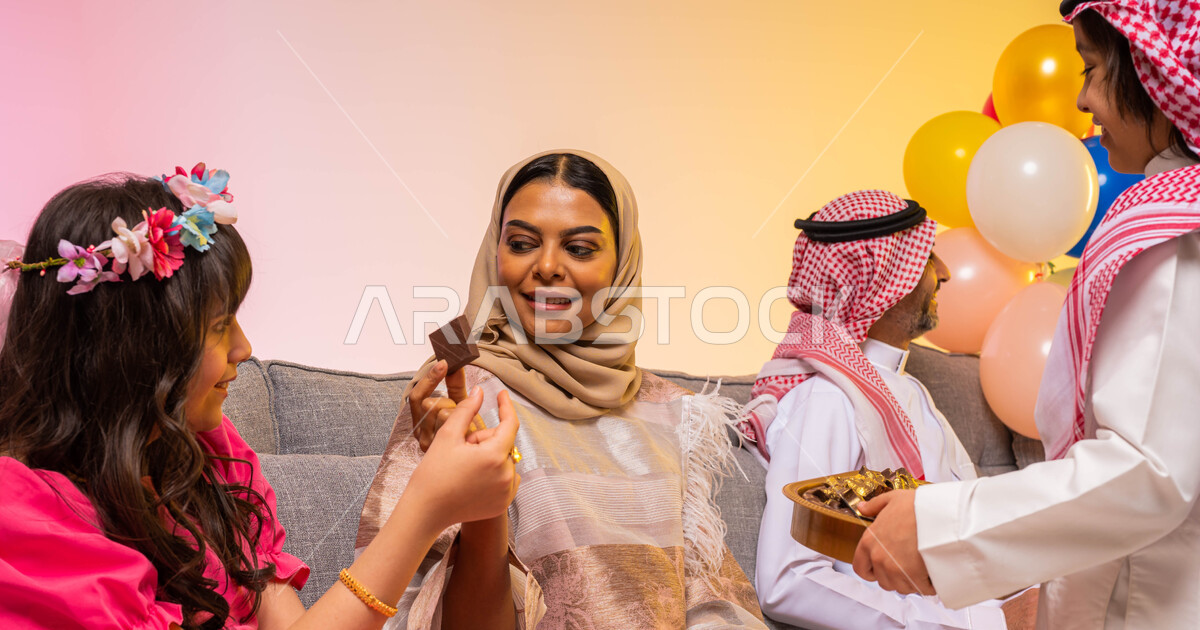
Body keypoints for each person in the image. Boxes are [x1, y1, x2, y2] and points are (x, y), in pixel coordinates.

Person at [0, 166, 520, 630]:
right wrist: (424, 508)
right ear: (133, 347)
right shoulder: (26, 524)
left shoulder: (204, 455)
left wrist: (463, 499)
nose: (244, 350)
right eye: (220, 325)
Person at [853, 1, 1200, 627]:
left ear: (1152, 71)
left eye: (1093, 69)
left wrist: (939, 528)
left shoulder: (1176, 231)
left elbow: (1149, 473)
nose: (1086, 100)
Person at [356, 150, 766, 629]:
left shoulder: (673, 414)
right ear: (496, 251)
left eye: (579, 249)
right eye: (523, 243)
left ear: (623, 264)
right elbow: (405, 610)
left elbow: (712, 603)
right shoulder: (457, 395)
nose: (547, 266)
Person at [740, 190, 1036, 629]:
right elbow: (789, 579)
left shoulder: (909, 390)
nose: (945, 272)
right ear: (882, 280)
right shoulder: (831, 398)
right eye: (926, 257)